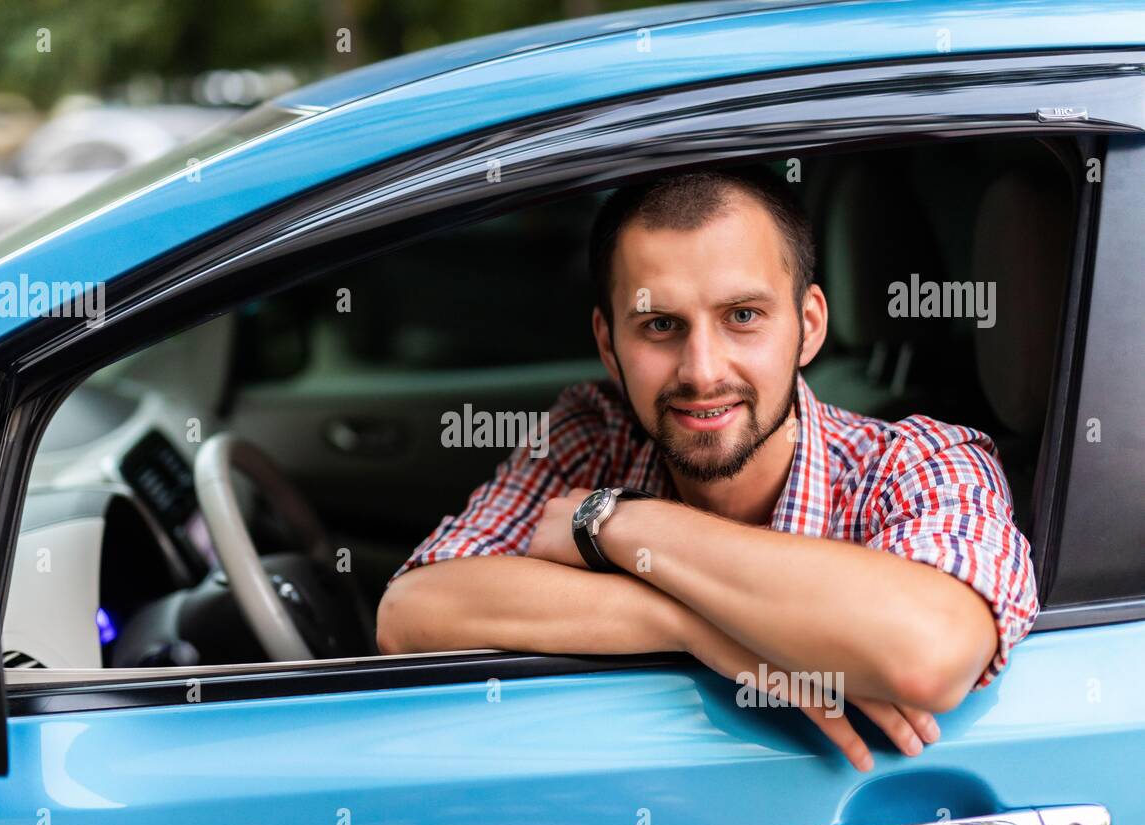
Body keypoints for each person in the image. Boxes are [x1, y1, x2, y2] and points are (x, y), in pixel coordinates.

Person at [376, 168, 1039, 772]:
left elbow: (926, 656)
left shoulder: (921, 461)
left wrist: (620, 525)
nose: (702, 371)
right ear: (610, 345)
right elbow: (411, 612)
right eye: (661, 325)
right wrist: (691, 626)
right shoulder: (593, 432)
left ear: (808, 326)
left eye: (743, 317)